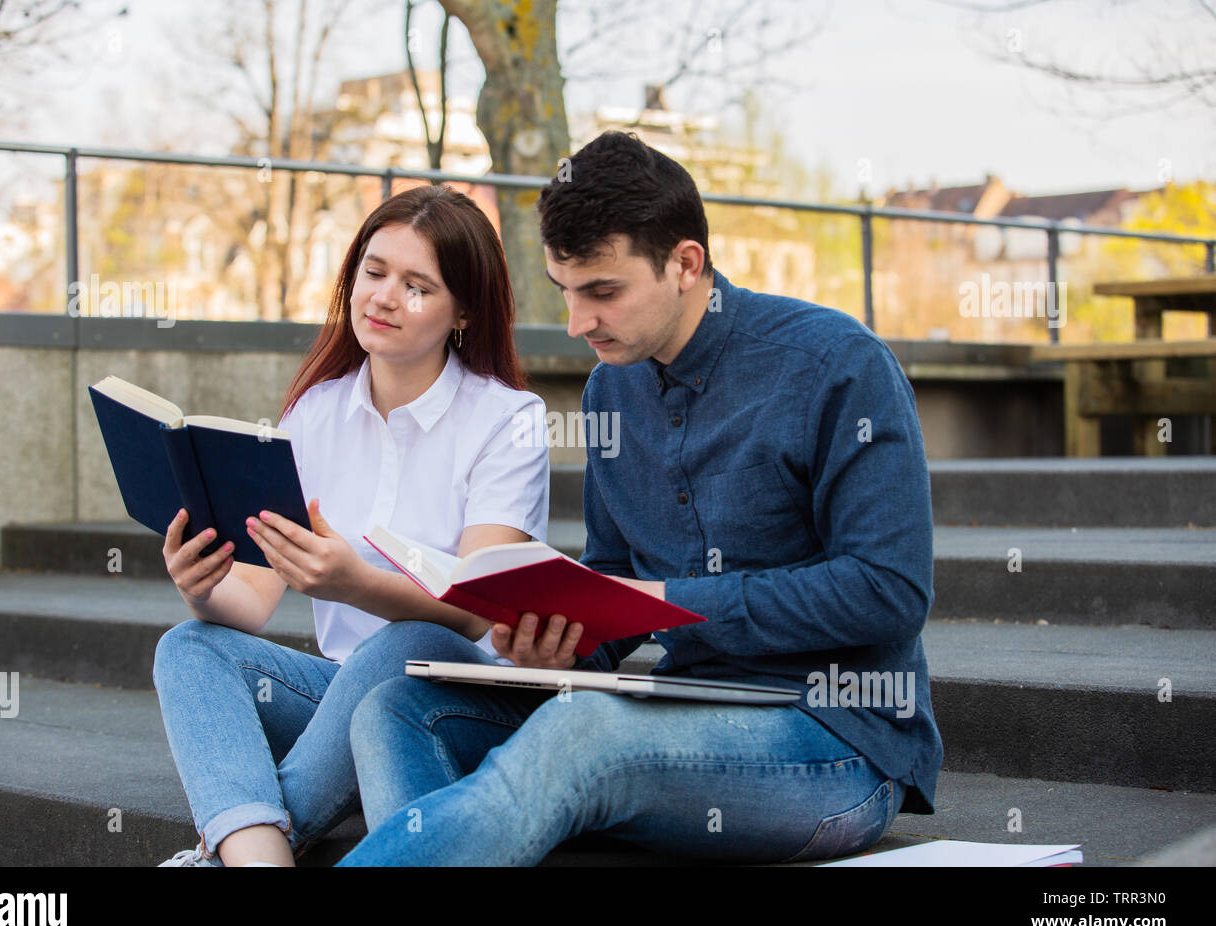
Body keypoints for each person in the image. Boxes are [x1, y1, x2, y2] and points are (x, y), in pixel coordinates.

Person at [334, 131, 944, 866]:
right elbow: (613, 577)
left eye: (603, 292)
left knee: (583, 734)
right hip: (674, 716)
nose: (577, 323)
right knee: (395, 708)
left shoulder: (838, 366)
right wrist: (559, 639)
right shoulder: (610, 390)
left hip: (834, 741)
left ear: (686, 264)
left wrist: (670, 598)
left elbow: (889, 591)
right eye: (565, 290)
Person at [152, 184, 549, 866]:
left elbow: (474, 615)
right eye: (374, 272)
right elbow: (251, 598)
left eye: (417, 286)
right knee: (189, 647)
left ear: (463, 312)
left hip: (452, 697)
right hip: (337, 699)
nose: (385, 297)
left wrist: (355, 583)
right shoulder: (315, 413)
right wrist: (201, 584)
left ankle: (236, 847)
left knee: (406, 640)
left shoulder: (507, 419)